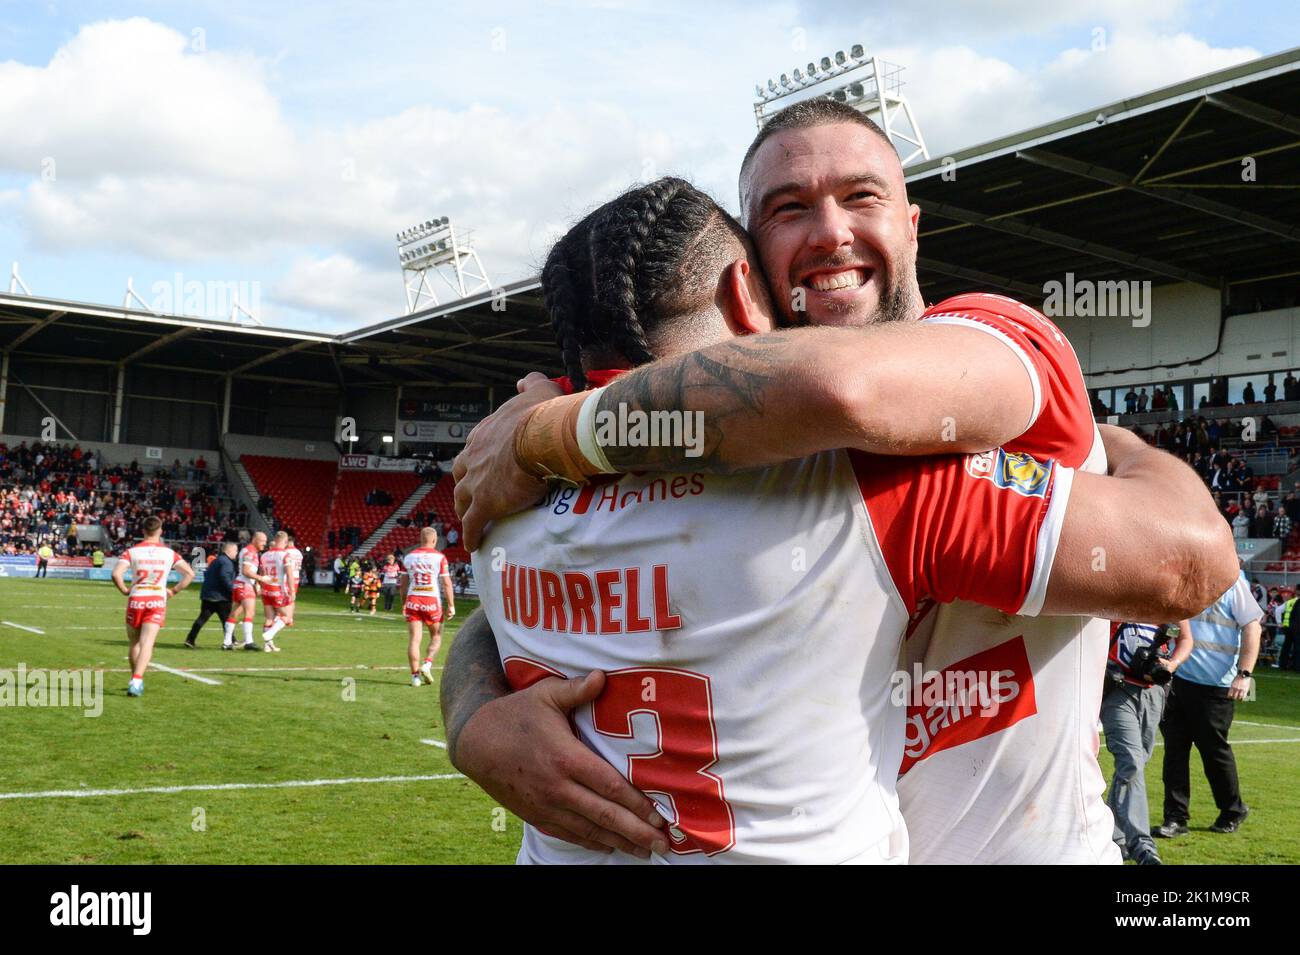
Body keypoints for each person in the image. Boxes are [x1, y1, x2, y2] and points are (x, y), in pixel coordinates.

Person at [444, 174, 1234, 862]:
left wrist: (470, 713)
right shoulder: (853, 482)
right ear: (744, 293)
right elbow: (1186, 565)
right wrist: (1122, 444)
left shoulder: (499, 492)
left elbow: (515, 619)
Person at [1157, 571, 1261, 838]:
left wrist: (1245, 674)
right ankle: (1175, 818)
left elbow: (1253, 625)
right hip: (1177, 679)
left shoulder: (1231, 580)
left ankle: (1233, 810)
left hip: (1215, 685)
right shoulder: (1182, 575)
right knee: (1175, 752)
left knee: (1214, 752)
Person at [1102, 619, 1192, 865]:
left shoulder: (1169, 595)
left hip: (1153, 691)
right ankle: (1143, 845)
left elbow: (1185, 638)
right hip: (1118, 689)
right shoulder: (1117, 589)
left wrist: (1172, 663)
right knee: (1131, 762)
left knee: (1132, 769)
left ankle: (1113, 838)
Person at [110, 515, 195, 696]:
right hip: (156, 599)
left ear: (143, 531)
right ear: (160, 531)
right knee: (147, 643)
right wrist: (173, 591)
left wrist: (125, 590)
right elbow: (189, 574)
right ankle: (137, 680)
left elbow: (116, 574)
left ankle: (135, 678)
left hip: (137, 599)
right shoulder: (169, 553)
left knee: (134, 642)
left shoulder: (132, 551)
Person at [401, 528, 455, 688]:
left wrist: (404, 603)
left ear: (420, 539)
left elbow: (403, 585)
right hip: (431, 600)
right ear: (434, 540)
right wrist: (451, 605)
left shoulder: (409, 557)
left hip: (413, 599)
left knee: (414, 640)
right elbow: (446, 583)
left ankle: (415, 677)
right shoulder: (440, 558)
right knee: (437, 636)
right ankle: (427, 663)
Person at [185, 539, 238, 649]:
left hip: (208, 594)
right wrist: (233, 591)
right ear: (230, 551)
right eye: (236, 551)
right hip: (221, 597)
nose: (236, 553)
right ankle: (231, 641)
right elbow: (225, 578)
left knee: (202, 618)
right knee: (227, 620)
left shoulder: (216, 560)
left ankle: (190, 639)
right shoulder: (226, 562)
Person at [258, 531, 293, 652]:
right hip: (278, 588)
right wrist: (292, 591)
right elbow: (289, 574)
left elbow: (261, 574)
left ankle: (267, 645)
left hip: (266, 588)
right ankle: (270, 634)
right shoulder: (285, 555)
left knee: (269, 618)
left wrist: (261, 586)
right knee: (287, 617)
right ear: (285, 541)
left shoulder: (264, 555)